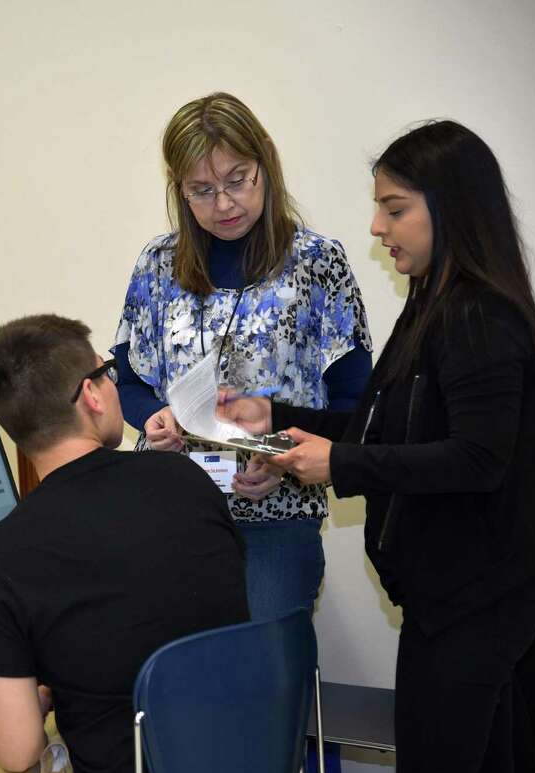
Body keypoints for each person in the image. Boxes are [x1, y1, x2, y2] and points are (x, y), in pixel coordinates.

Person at [220, 121, 535, 773]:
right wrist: (279, 419)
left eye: (395, 209)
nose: (378, 227)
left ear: (452, 207)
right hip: (457, 598)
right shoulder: (432, 307)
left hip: (476, 601)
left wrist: (344, 466)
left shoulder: (478, 317)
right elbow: (386, 427)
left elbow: (479, 460)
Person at [0, 314, 249, 773]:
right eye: (109, 372)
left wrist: (45, 696)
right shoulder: (187, 480)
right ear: (90, 394)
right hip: (243, 761)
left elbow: (18, 751)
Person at [113, 92, 373, 622]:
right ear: (179, 191)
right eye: (202, 191)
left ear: (266, 165)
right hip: (170, 511)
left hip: (275, 514)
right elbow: (126, 381)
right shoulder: (157, 264)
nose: (224, 205)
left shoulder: (317, 264)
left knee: (259, 668)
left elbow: (356, 406)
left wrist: (284, 462)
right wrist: (152, 418)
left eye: (237, 180)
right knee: (164, 666)